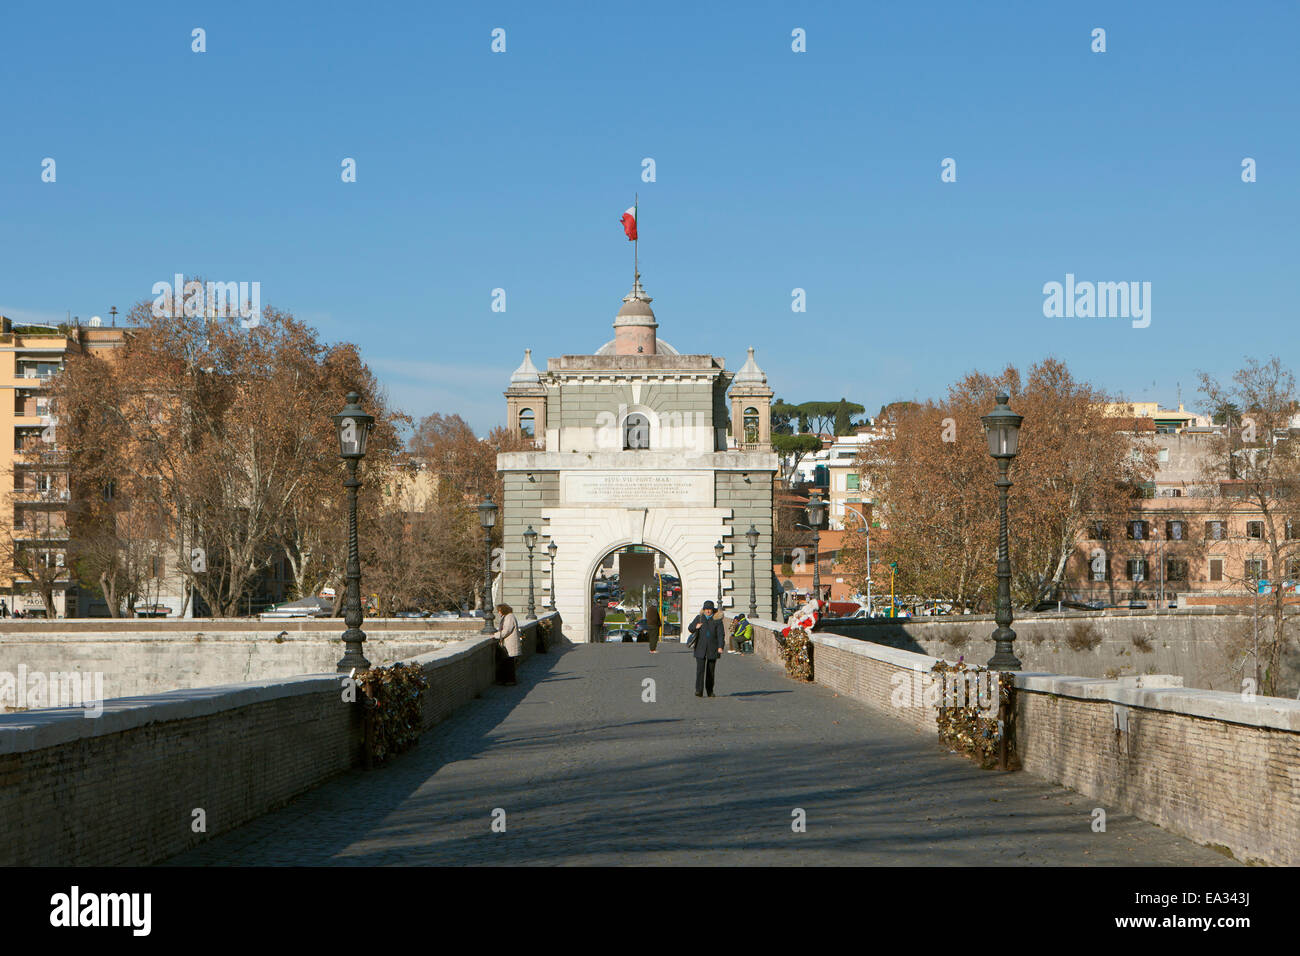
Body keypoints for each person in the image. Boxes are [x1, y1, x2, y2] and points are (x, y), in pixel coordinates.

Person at [686, 600, 725, 697]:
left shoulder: (717, 620)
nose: (708, 611)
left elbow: (721, 635)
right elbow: (690, 628)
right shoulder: (699, 618)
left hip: (713, 648)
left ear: (713, 610)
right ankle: (698, 690)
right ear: (704, 610)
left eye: (710, 609)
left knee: (710, 672)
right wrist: (696, 626)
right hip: (700, 648)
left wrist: (720, 646)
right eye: (706, 609)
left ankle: (710, 691)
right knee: (700, 671)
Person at [494, 603, 520, 686]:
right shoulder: (508, 617)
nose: (498, 613)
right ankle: (507, 680)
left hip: (509, 644)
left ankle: (510, 680)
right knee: (507, 662)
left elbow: (507, 630)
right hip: (508, 643)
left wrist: (496, 635)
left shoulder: (509, 617)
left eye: (499, 611)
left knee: (508, 663)